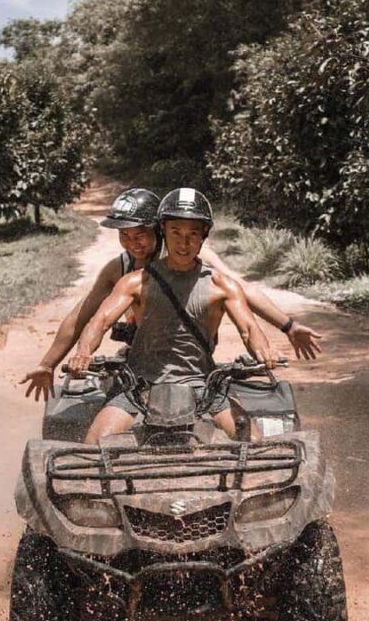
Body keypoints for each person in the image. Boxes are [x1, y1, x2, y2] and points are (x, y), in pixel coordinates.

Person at [20, 187, 322, 401]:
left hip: (190, 357)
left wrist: (289, 326)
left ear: (159, 230)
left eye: (141, 234)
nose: (132, 243)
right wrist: (48, 364)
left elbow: (242, 292)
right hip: (140, 355)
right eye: (124, 235)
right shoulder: (120, 269)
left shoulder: (190, 253)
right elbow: (83, 316)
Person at [68, 188, 275, 441]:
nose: (184, 243)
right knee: (93, 445)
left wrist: (264, 351)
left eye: (193, 234)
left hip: (203, 387)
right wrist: (83, 352)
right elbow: (99, 321)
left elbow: (249, 329)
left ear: (204, 236)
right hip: (139, 387)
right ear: (163, 230)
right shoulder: (134, 282)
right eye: (176, 233)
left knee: (255, 444)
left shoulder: (223, 287)